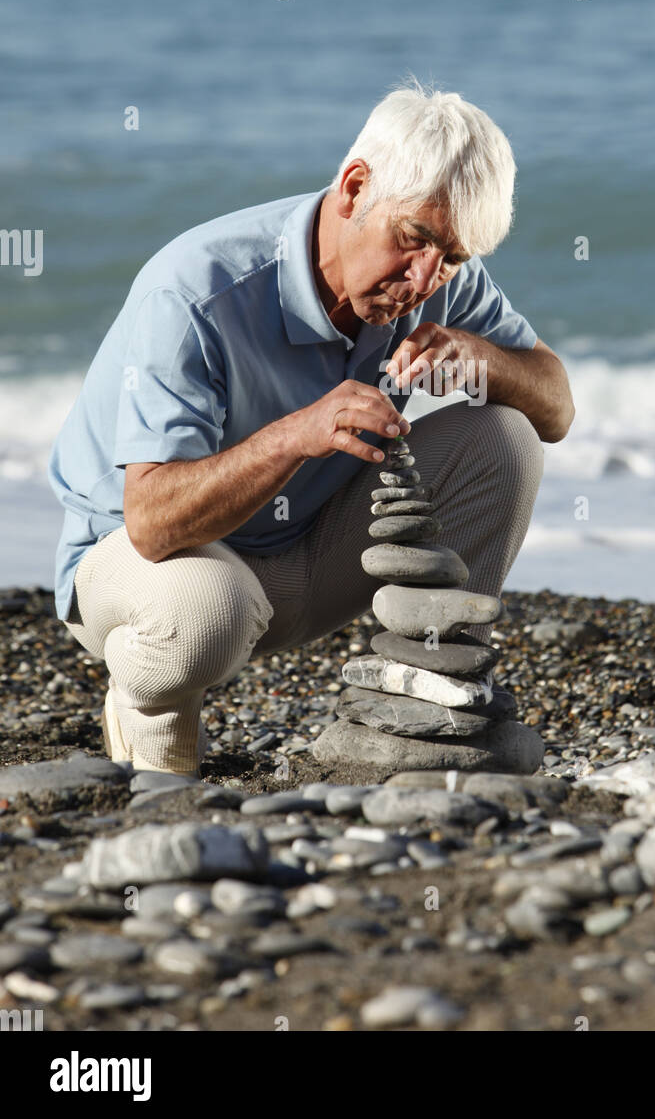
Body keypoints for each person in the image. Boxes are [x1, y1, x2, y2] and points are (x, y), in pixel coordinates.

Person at [47, 79, 575, 775]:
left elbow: (557, 408)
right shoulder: (195, 291)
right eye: (414, 240)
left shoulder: (442, 275)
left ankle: (440, 705)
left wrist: (484, 361)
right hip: (148, 570)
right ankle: (149, 715)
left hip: (306, 558)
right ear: (354, 189)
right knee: (207, 607)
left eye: (451, 258)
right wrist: (296, 434)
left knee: (505, 437)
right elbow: (151, 521)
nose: (424, 280)